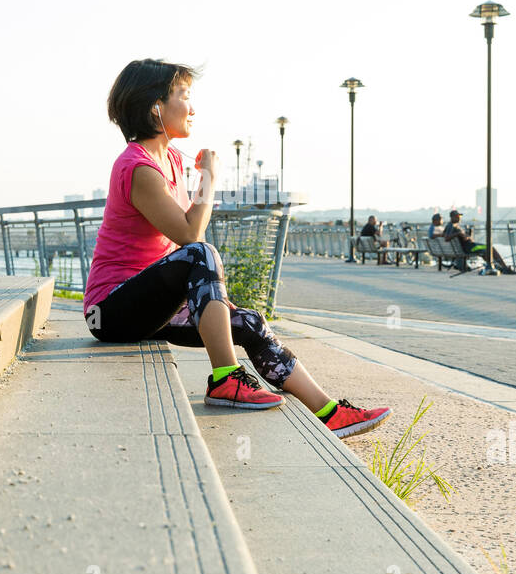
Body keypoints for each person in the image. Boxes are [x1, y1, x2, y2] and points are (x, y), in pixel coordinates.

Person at [83, 59, 391, 438]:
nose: (193, 109)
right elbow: (190, 235)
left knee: (249, 322)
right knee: (201, 252)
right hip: (110, 310)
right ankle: (227, 379)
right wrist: (210, 176)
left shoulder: (174, 162)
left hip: (153, 308)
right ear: (155, 107)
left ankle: (329, 412)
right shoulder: (137, 167)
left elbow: (180, 247)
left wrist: (211, 297)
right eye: (184, 97)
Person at [443, 209, 516, 274]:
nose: (459, 217)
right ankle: (504, 268)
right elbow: (446, 238)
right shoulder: (452, 226)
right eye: (457, 216)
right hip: (470, 247)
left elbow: (444, 234)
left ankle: (496, 266)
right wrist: (459, 233)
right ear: (452, 217)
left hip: (469, 246)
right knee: (490, 248)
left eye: (459, 216)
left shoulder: (451, 226)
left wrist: (464, 235)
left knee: (485, 251)